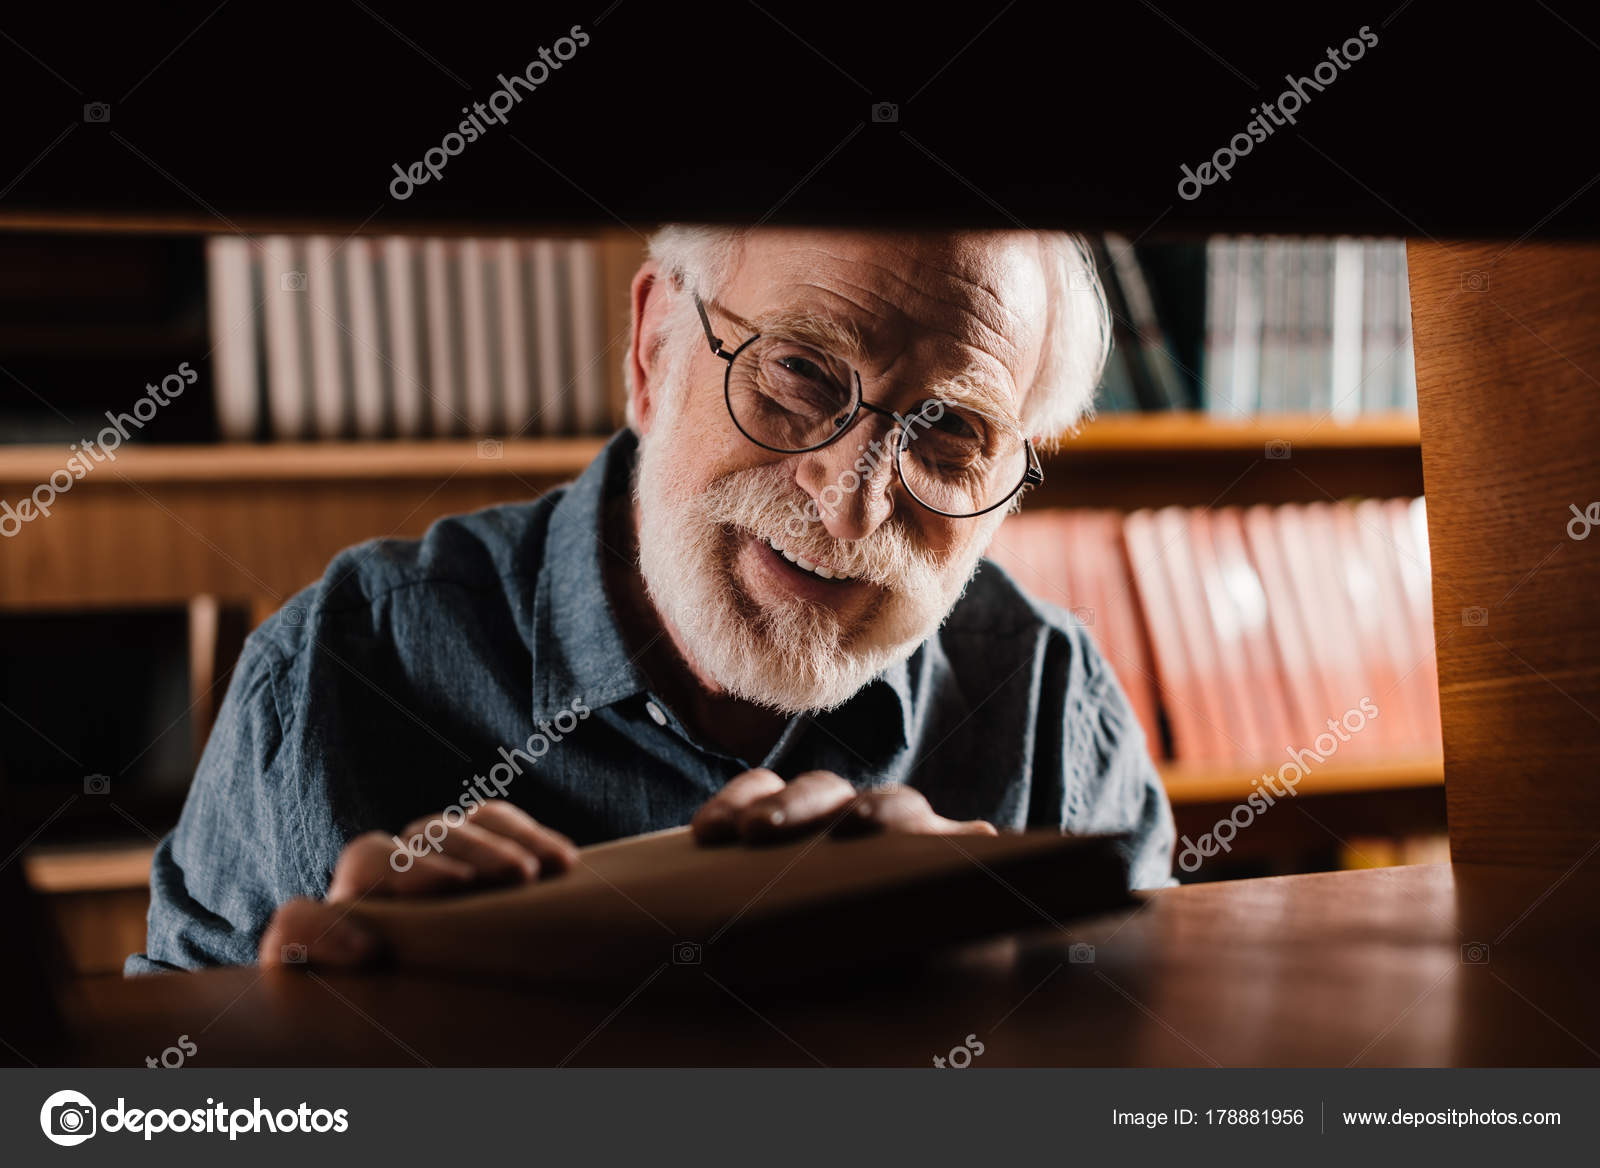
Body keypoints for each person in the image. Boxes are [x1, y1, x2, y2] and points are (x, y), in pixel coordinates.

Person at [128, 225, 1174, 974]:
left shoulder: (1050, 702)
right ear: (650, 350)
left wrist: (1023, 1025)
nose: (852, 508)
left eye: (951, 432)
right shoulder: (333, 672)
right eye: (802, 372)